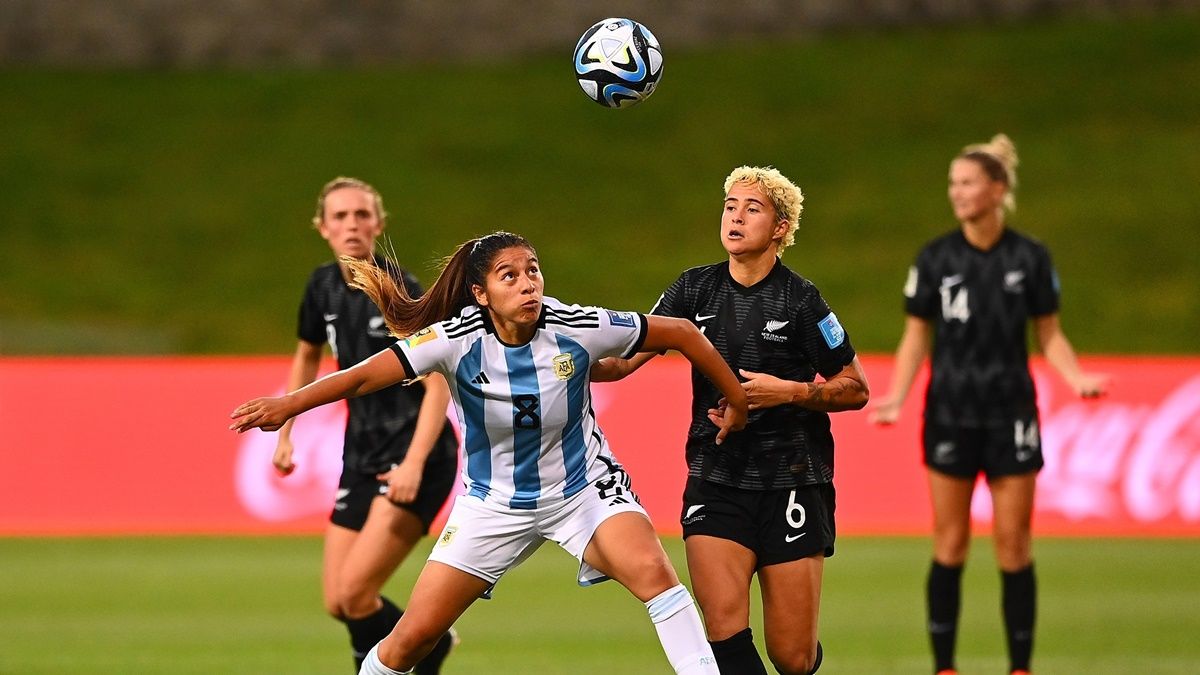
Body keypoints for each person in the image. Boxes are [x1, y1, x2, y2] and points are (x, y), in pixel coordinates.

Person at [231, 231, 749, 675]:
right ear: (480, 294)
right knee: (410, 641)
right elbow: (365, 373)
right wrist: (288, 404)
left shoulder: (575, 325)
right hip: (492, 505)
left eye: (534, 270)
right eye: (510, 275)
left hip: (583, 490)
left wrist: (738, 401)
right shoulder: (452, 340)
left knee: (656, 577)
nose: (529, 284)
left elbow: (681, 332)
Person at [592, 166, 870, 675]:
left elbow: (856, 388)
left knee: (792, 657)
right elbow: (622, 363)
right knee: (723, 633)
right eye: (729, 206)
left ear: (781, 227)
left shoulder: (802, 301)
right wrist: (560, 356)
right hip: (715, 479)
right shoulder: (693, 290)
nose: (735, 217)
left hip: (793, 482)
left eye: (752, 208)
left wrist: (791, 391)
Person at [868, 134, 1109, 675]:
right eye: (953, 183)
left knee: (1013, 545)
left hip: (1011, 415)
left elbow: (1050, 335)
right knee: (950, 543)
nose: (957, 193)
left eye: (968, 182)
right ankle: (945, 667)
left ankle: (1020, 667)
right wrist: (897, 397)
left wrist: (1075, 378)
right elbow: (915, 337)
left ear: (997, 190)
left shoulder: (1030, 257)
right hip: (950, 411)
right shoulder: (935, 259)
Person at [273, 177, 459, 673]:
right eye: (340, 216)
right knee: (339, 600)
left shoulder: (399, 291)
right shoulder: (321, 287)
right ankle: (432, 644)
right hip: (360, 455)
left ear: (378, 225)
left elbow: (438, 383)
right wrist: (287, 426)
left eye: (361, 215)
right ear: (323, 228)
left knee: (356, 594)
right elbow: (307, 352)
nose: (351, 224)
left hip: (417, 455)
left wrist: (414, 464)